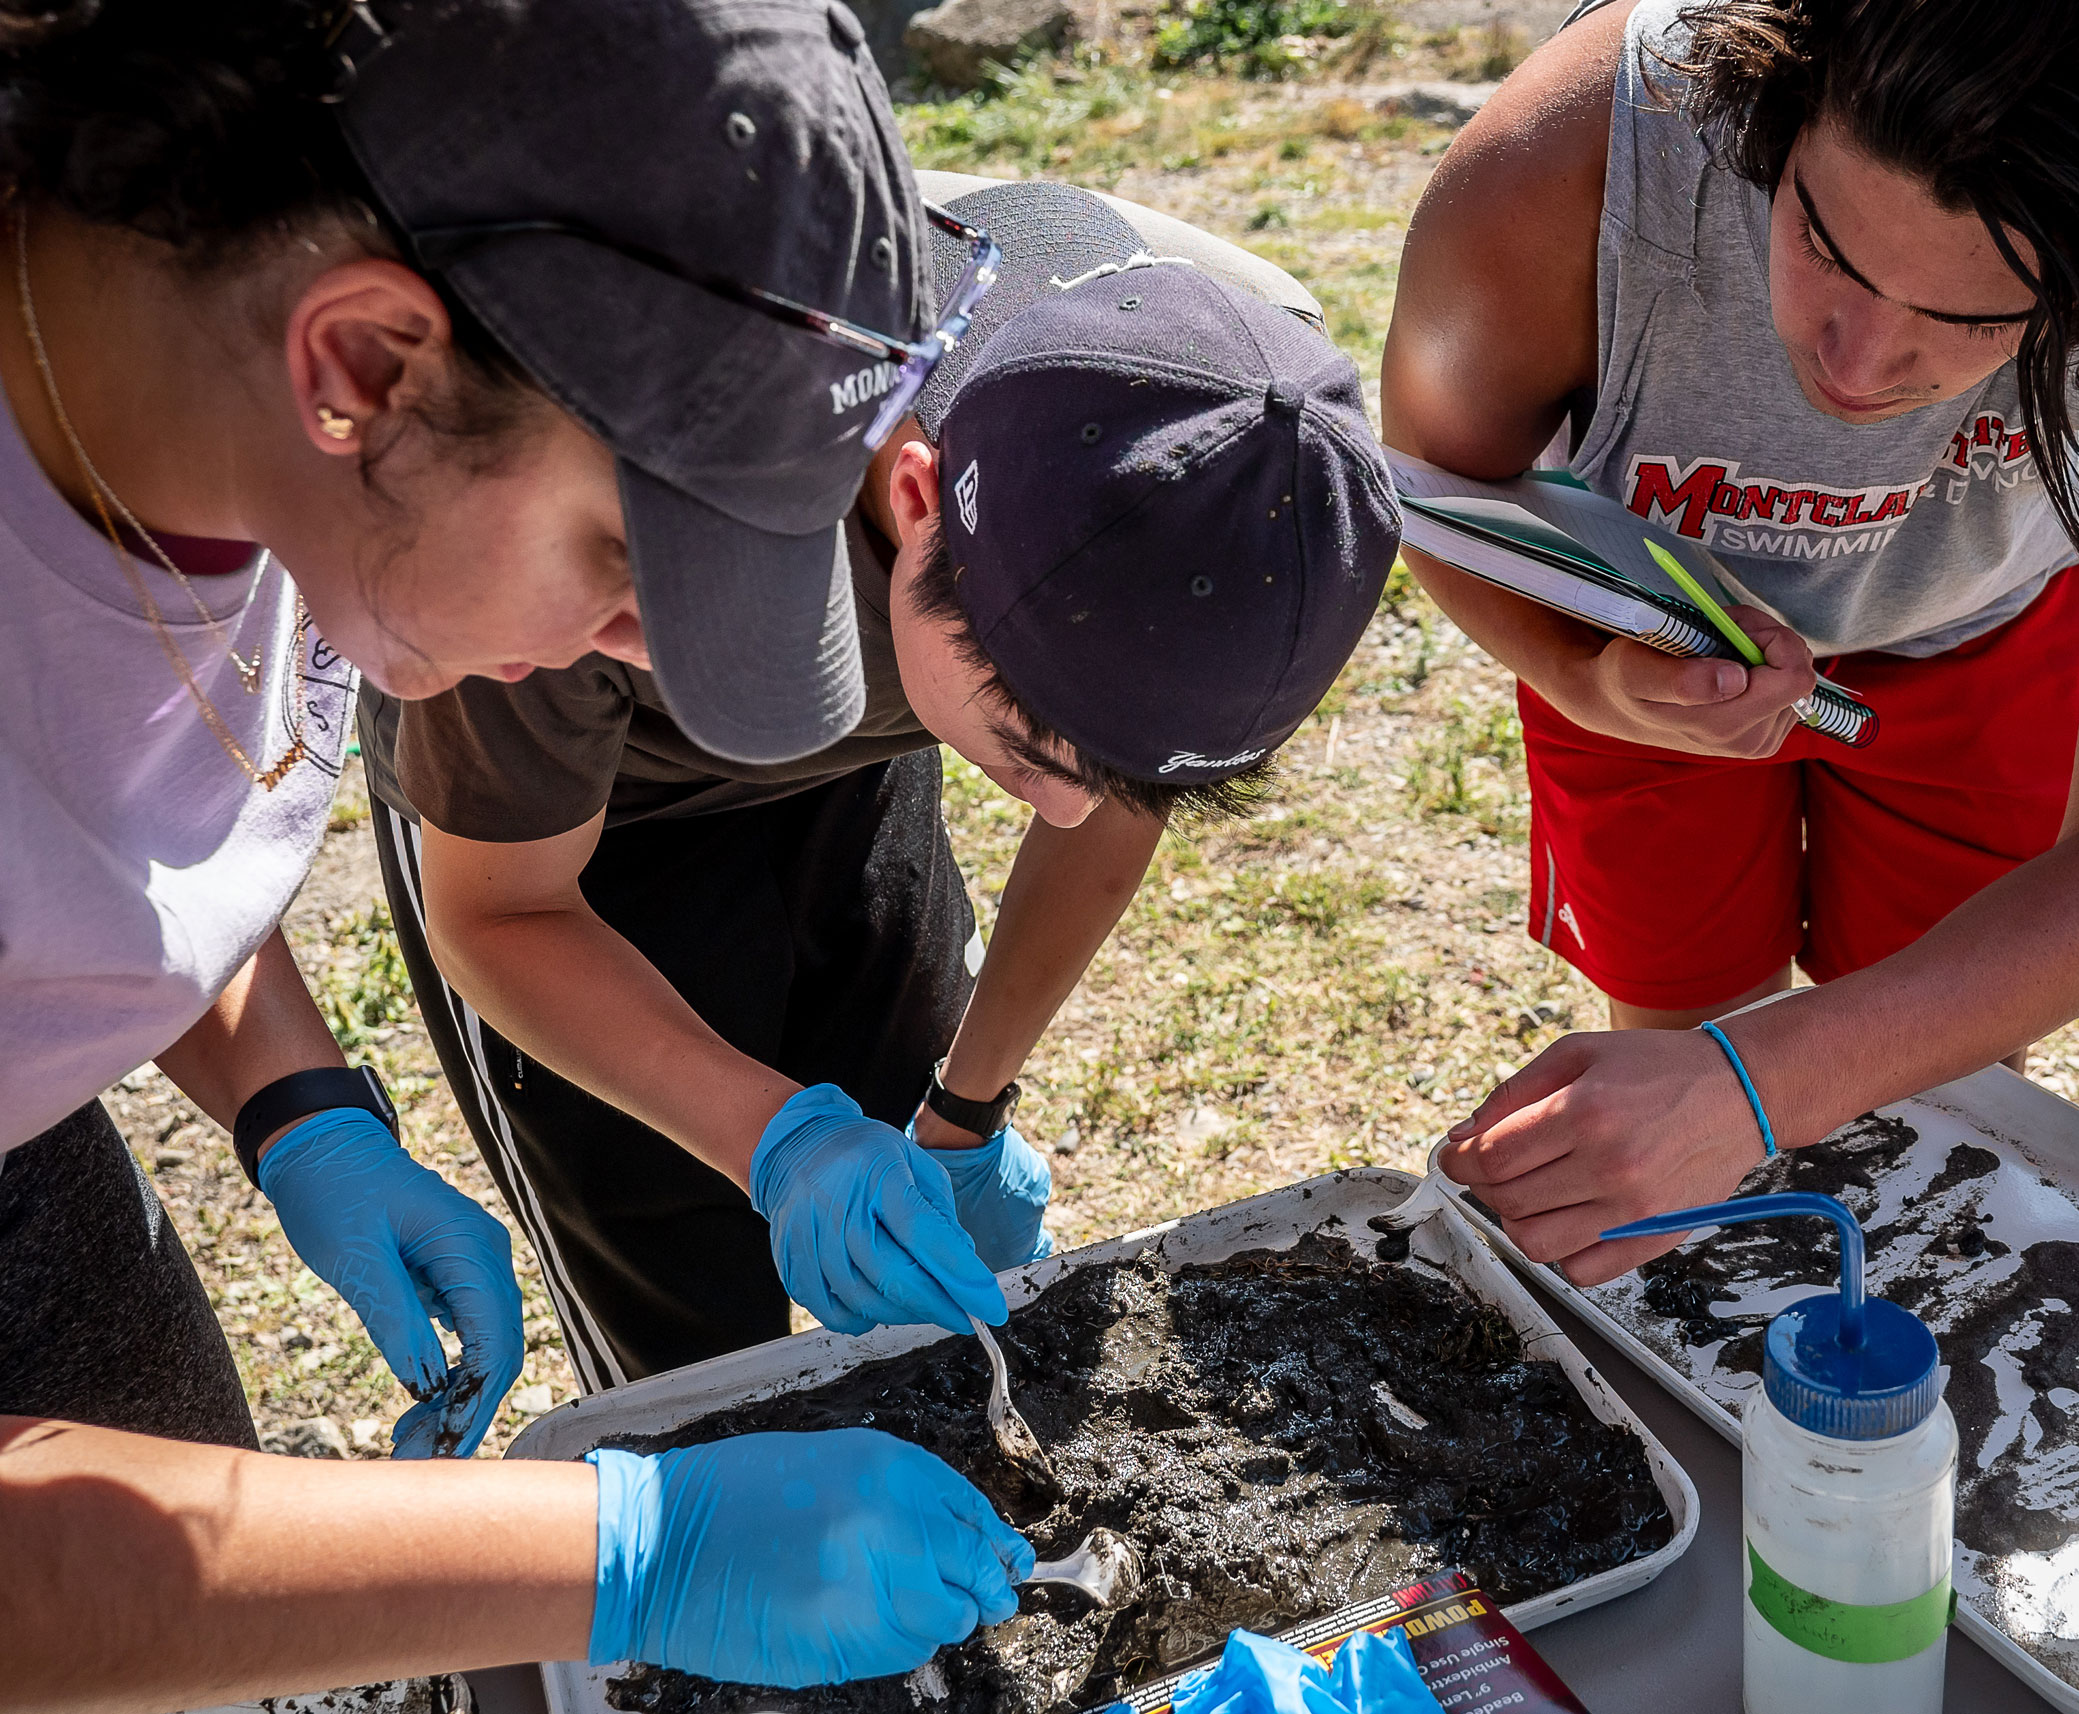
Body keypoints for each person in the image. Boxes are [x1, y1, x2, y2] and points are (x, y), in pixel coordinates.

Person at [0, 0, 1033, 1699]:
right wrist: (624, 1553)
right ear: (370, 366)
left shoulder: (231, 426)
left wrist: (298, 1101)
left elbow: (100, 803)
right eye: (627, 565)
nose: (640, 658)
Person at [1380, 0, 2079, 1281]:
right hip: (1653, 626)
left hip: (1993, 629)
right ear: (1784, 96)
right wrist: (1594, 677)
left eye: (1979, 316)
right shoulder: (1574, 159)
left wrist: (1753, 1088)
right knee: (1681, 1046)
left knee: (1947, 1096)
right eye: (1824, 240)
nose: (1856, 368)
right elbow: (1428, 481)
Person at [360, 172, 1401, 1389]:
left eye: (1111, 768)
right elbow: (499, 913)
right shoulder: (591, 510)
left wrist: (966, 1109)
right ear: (918, 504)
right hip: (576, 848)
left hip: (861, 771)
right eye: (1031, 747)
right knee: (687, 1338)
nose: (1062, 811)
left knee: (918, 1236)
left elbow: (1110, 785)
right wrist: (774, 1141)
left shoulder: (1240, 458)